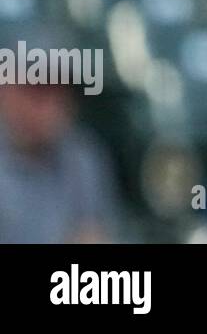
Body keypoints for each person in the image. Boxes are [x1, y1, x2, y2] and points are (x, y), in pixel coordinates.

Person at [0, 24, 121, 243]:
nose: (50, 106)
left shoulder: (83, 156)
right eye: (37, 90)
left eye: (59, 90)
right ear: (6, 90)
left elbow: (97, 235)